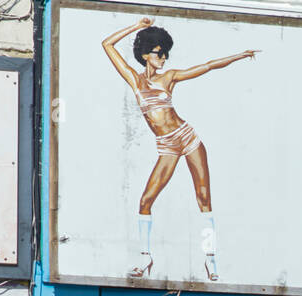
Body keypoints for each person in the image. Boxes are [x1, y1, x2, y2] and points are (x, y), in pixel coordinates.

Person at [101, 17, 258, 281]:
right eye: (158, 53)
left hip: (186, 137)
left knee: (203, 195)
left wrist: (239, 56)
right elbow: (107, 44)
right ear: (145, 54)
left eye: (165, 54)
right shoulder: (134, 80)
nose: (163, 58)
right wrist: (138, 27)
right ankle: (145, 258)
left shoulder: (169, 78)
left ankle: (210, 257)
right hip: (166, 145)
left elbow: (206, 67)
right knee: (145, 200)